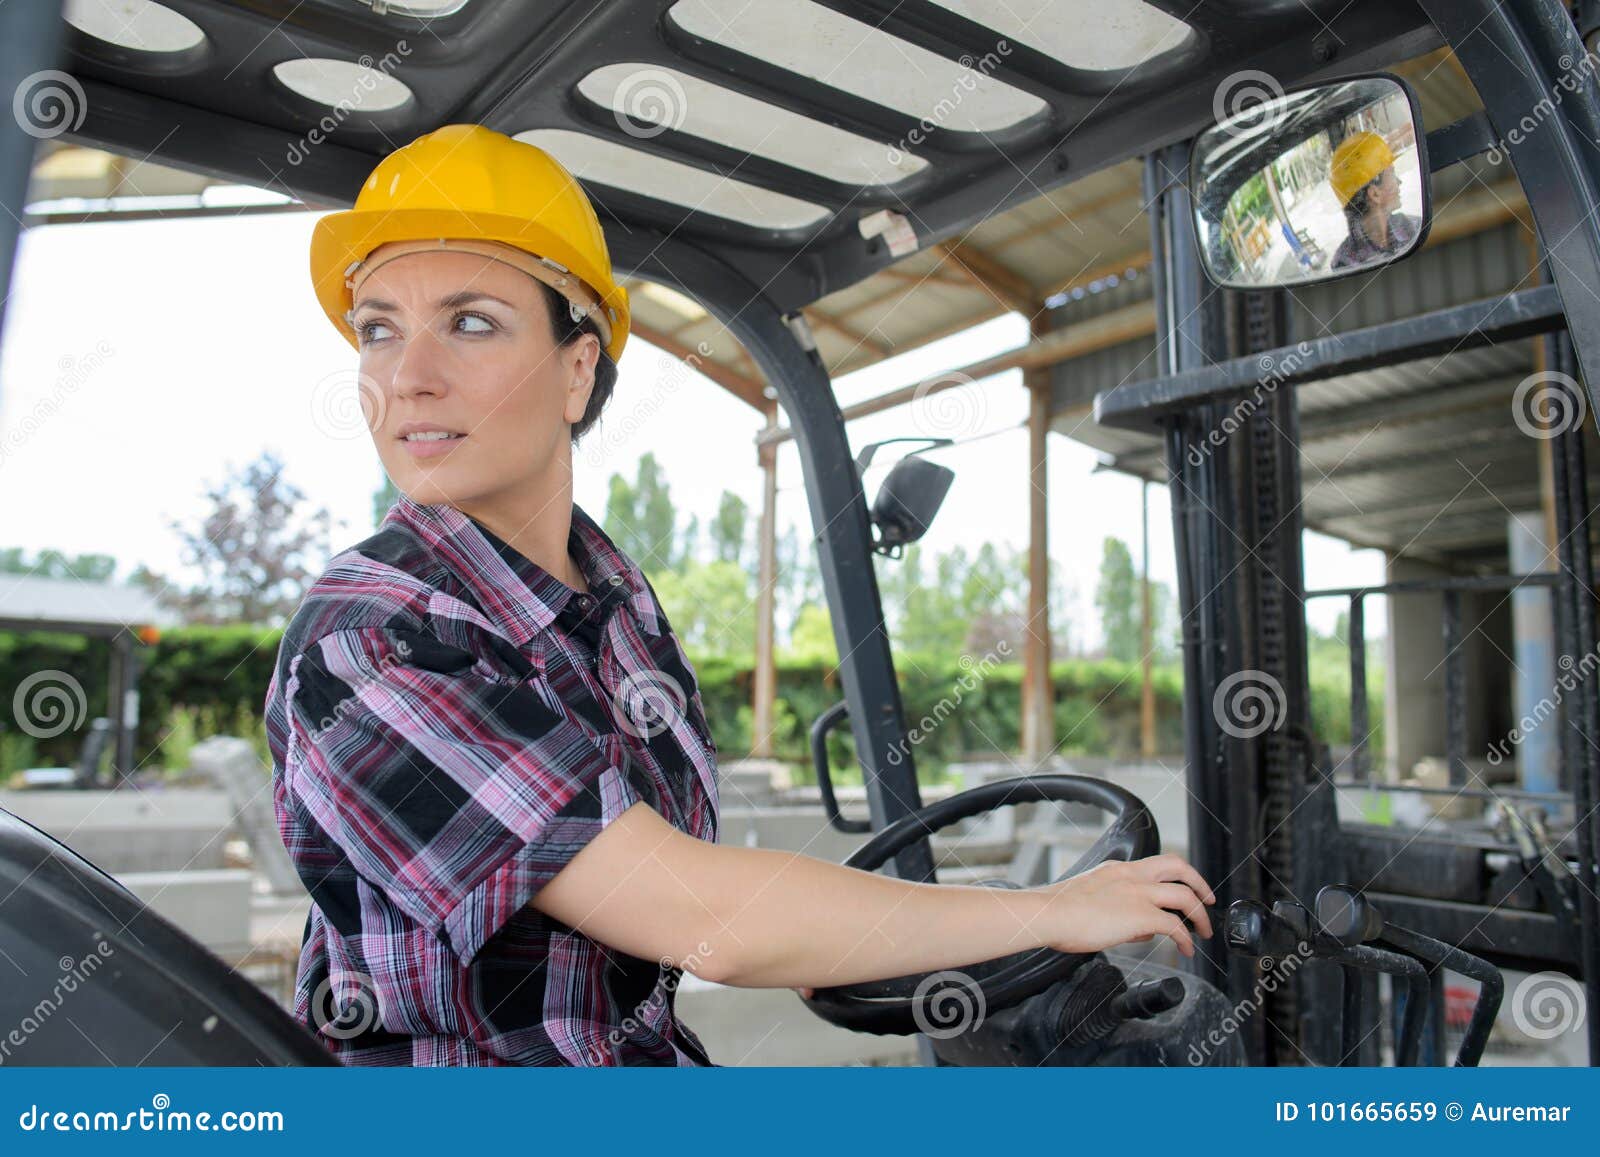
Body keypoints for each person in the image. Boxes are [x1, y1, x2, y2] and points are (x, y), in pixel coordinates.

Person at [266, 123, 1217, 1067]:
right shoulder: (370, 641)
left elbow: (690, 920)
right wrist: (1054, 910)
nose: (408, 378)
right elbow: (705, 916)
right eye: (378, 330)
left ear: (577, 368)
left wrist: (848, 930)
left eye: (469, 323)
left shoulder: (612, 606)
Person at [1329, 130, 1421, 270]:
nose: (1399, 182)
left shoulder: (1413, 226)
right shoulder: (1344, 264)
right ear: (1375, 194)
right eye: (1392, 173)